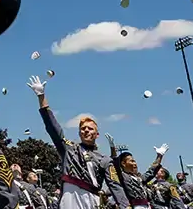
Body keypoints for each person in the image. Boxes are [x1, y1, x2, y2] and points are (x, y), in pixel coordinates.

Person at [27, 75, 127, 209]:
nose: (86, 130)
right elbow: (53, 128)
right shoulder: (69, 149)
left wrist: (126, 206)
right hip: (68, 202)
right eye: (83, 129)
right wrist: (41, 97)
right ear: (79, 133)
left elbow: (115, 186)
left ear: (97, 134)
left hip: (92, 201)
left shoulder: (104, 160)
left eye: (90, 129)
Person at [108, 142, 166, 209]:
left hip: (147, 206)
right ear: (123, 163)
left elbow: (151, 172)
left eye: (134, 161)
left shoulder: (139, 178)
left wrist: (160, 156)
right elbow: (115, 165)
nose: (135, 163)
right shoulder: (123, 177)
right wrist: (113, 150)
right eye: (132, 161)